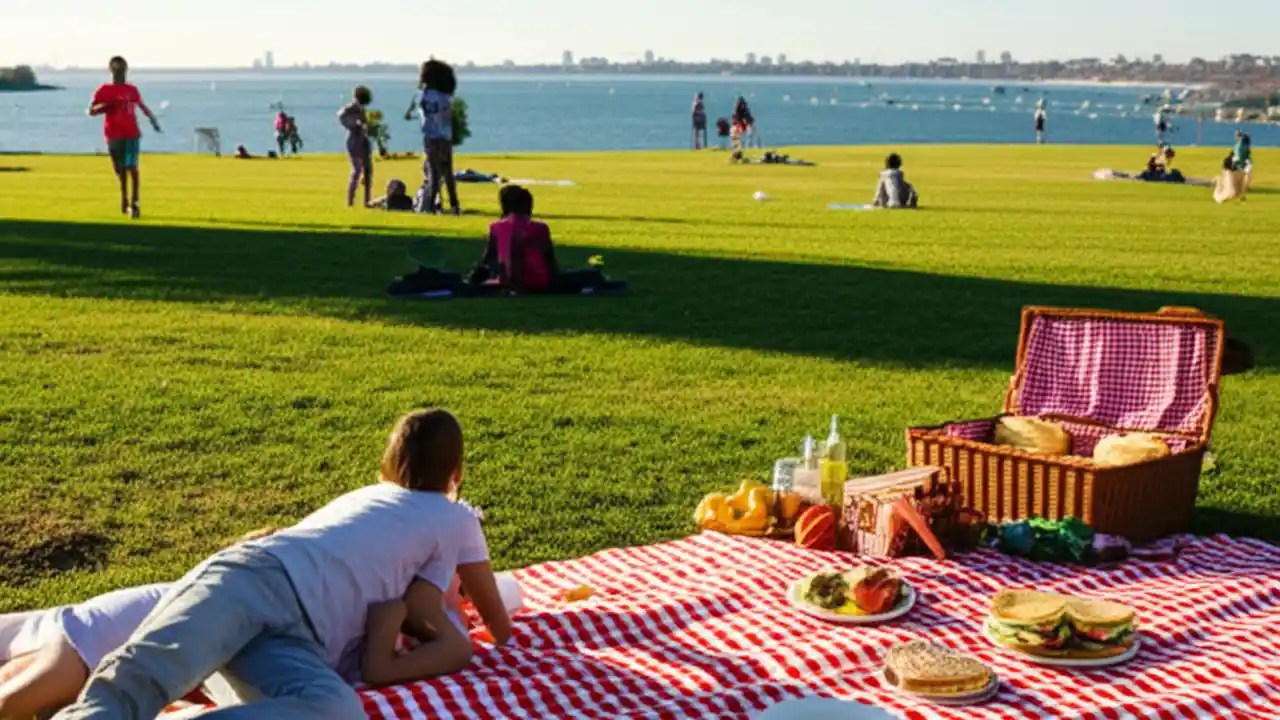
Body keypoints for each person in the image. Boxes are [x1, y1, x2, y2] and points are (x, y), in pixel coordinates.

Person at [52, 408, 508, 720]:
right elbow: (492, 616)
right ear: (457, 472)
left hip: (300, 640)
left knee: (337, 710)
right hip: (257, 581)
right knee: (144, 674)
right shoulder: (450, 515)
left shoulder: (385, 499)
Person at [87, 56, 161, 219]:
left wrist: (152, 119)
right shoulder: (104, 90)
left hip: (131, 134)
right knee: (120, 169)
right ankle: (124, 200)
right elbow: (91, 111)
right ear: (111, 71)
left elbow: (141, 106)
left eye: (122, 70)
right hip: (113, 135)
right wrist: (105, 107)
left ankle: (134, 203)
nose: (120, 74)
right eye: (117, 70)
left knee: (132, 168)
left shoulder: (131, 90)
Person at [469, 185, 558, 293]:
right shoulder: (540, 227)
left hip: (505, 281)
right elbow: (549, 260)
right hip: (538, 282)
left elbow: (488, 259)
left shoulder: (495, 227)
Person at [414, 60, 461, 215]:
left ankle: (431, 205)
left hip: (430, 137)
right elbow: (446, 118)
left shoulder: (423, 96)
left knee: (434, 173)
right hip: (444, 137)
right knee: (448, 173)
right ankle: (454, 205)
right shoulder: (444, 97)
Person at [338, 85, 374, 207]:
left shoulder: (363, 109)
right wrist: (355, 123)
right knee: (357, 170)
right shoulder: (351, 108)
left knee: (368, 171)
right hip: (354, 141)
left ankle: (367, 201)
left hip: (364, 140)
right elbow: (342, 117)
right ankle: (350, 202)